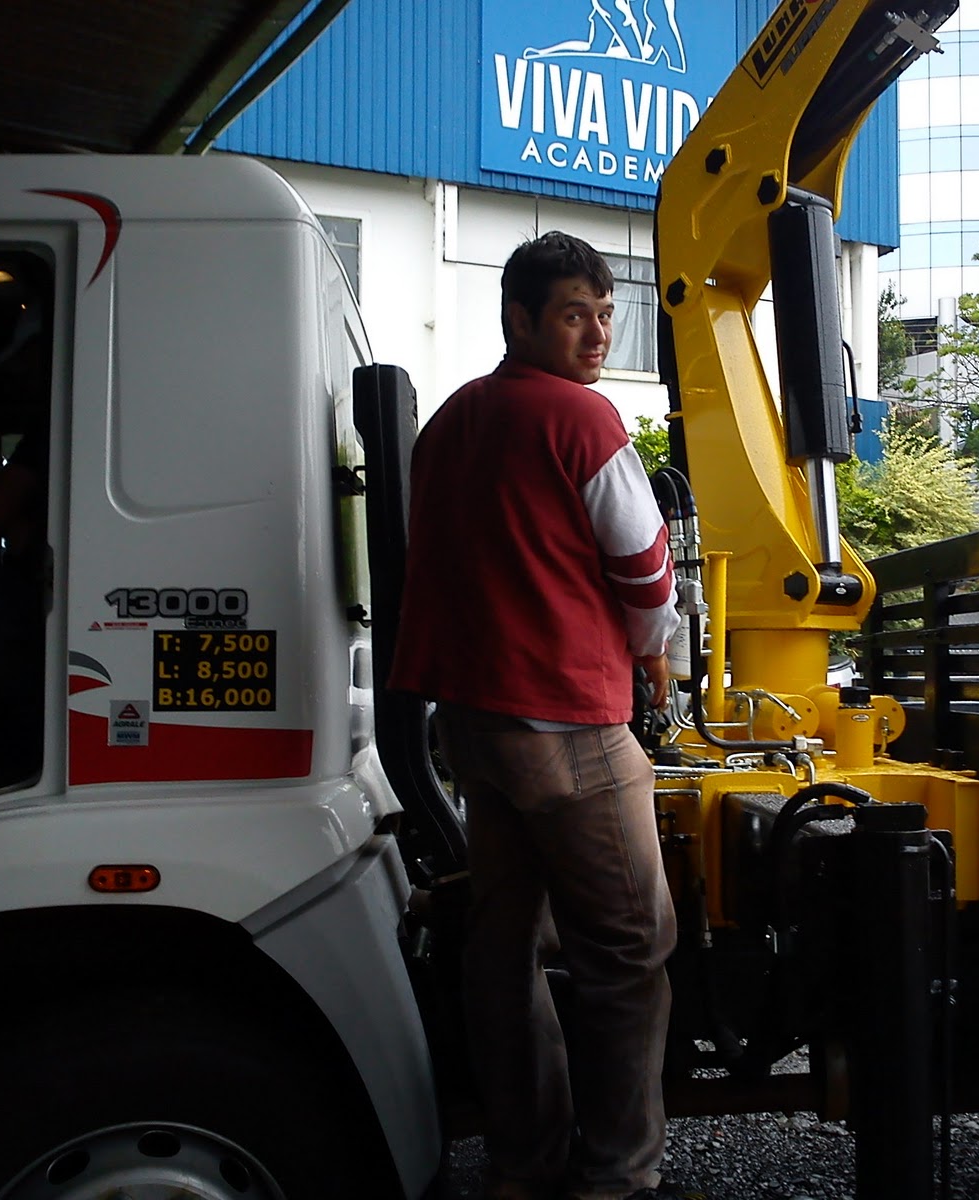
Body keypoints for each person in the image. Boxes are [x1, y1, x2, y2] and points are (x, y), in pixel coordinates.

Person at [390, 232, 698, 1200]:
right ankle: (618, 1177)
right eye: (574, 315)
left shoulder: (448, 423)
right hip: (569, 723)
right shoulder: (581, 417)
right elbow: (646, 565)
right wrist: (653, 652)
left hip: (474, 729)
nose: (597, 334)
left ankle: (524, 1165)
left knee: (505, 945)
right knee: (628, 949)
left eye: (605, 314)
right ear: (519, 319)